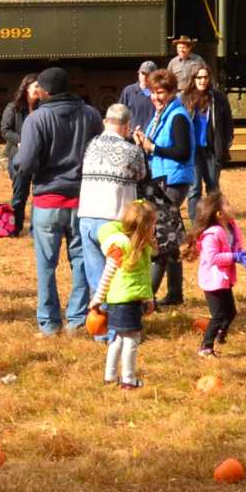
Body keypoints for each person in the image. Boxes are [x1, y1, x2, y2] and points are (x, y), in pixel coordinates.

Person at [12, 66, 104, 335]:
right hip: (83, 200)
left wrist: (16, 159)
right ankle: (77, 319)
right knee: (82, 260)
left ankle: (50, 323)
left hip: (48, 201)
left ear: (46, 91)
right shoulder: (91, 114)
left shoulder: (36, 119)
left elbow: (26, 163)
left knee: (46, 265)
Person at [77, 103, 148, 344]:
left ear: (106, 122)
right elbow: (141, 175)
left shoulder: (90, 146)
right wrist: (140, 147)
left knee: (96, 276)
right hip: (114, 220)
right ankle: (116, 329)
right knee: (117, 277)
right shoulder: (131, 150)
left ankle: (100, 329)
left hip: (87, 215)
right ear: (127, 126)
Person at [135, 70, 196, 306]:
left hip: (173, 180)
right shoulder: (162, 113)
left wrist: (153, 148)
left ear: (172, 92)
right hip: (161, 179)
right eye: (152, 92)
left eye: (160, 92)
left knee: (160, 237)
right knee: (171, 237)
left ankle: (146, 298)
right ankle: (174, 294)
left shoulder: (177, 115)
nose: (155, 97)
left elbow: (182, 151)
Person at [94, 199, 157, 389]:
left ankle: (110, 376)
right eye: (153, 224)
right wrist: (97, 298)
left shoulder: (141, 248)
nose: (155, 228)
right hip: (126, 303)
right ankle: (128, 380)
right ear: (144, 227)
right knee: (131, 340)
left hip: (120, 301)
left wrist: (149, 298)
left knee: (117, 339)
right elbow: (108, 273)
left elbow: (142, 278)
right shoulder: (121, 247)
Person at [188, 192, 246, 357]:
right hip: (212, 281)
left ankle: (221, 331)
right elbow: (214, 258)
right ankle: (205, 347)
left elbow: (234, 246)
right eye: (227, 204)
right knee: (218, 315)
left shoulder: (230, 228)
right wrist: (234, 257)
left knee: (231, 312)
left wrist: (240, 255)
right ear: (219, 214)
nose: (231, 206)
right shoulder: (211, 234)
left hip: (223, 279)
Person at [187, 64, 233, 221]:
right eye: (199, 77)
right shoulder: (185, 98)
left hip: (212, 150)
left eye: (205, 77)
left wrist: (226, 143)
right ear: (193, 79)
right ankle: (195, 223)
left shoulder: (218, 98)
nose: (202, 80)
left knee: (213, 188)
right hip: (192, 151)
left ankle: (214, 220)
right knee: (194, 189)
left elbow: (228, 122)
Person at [0, 75, 37, 238]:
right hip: (18, 157)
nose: (39, 89)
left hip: (38, 157)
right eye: (36, 86)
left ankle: (36, 230)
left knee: (39, 193)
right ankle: (15, 227)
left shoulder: (44, 108)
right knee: (20, 194)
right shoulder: (13, 107)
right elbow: (5, 130)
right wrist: (21, 141)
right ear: (26, 87)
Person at [119, 61, 158, 134]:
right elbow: (120, 113)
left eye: (148, 74)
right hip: (132, 137)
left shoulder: (159, 92)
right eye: (142, 73)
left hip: (153, 137)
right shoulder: (129, 91)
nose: (144, 77)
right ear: (138, 73)